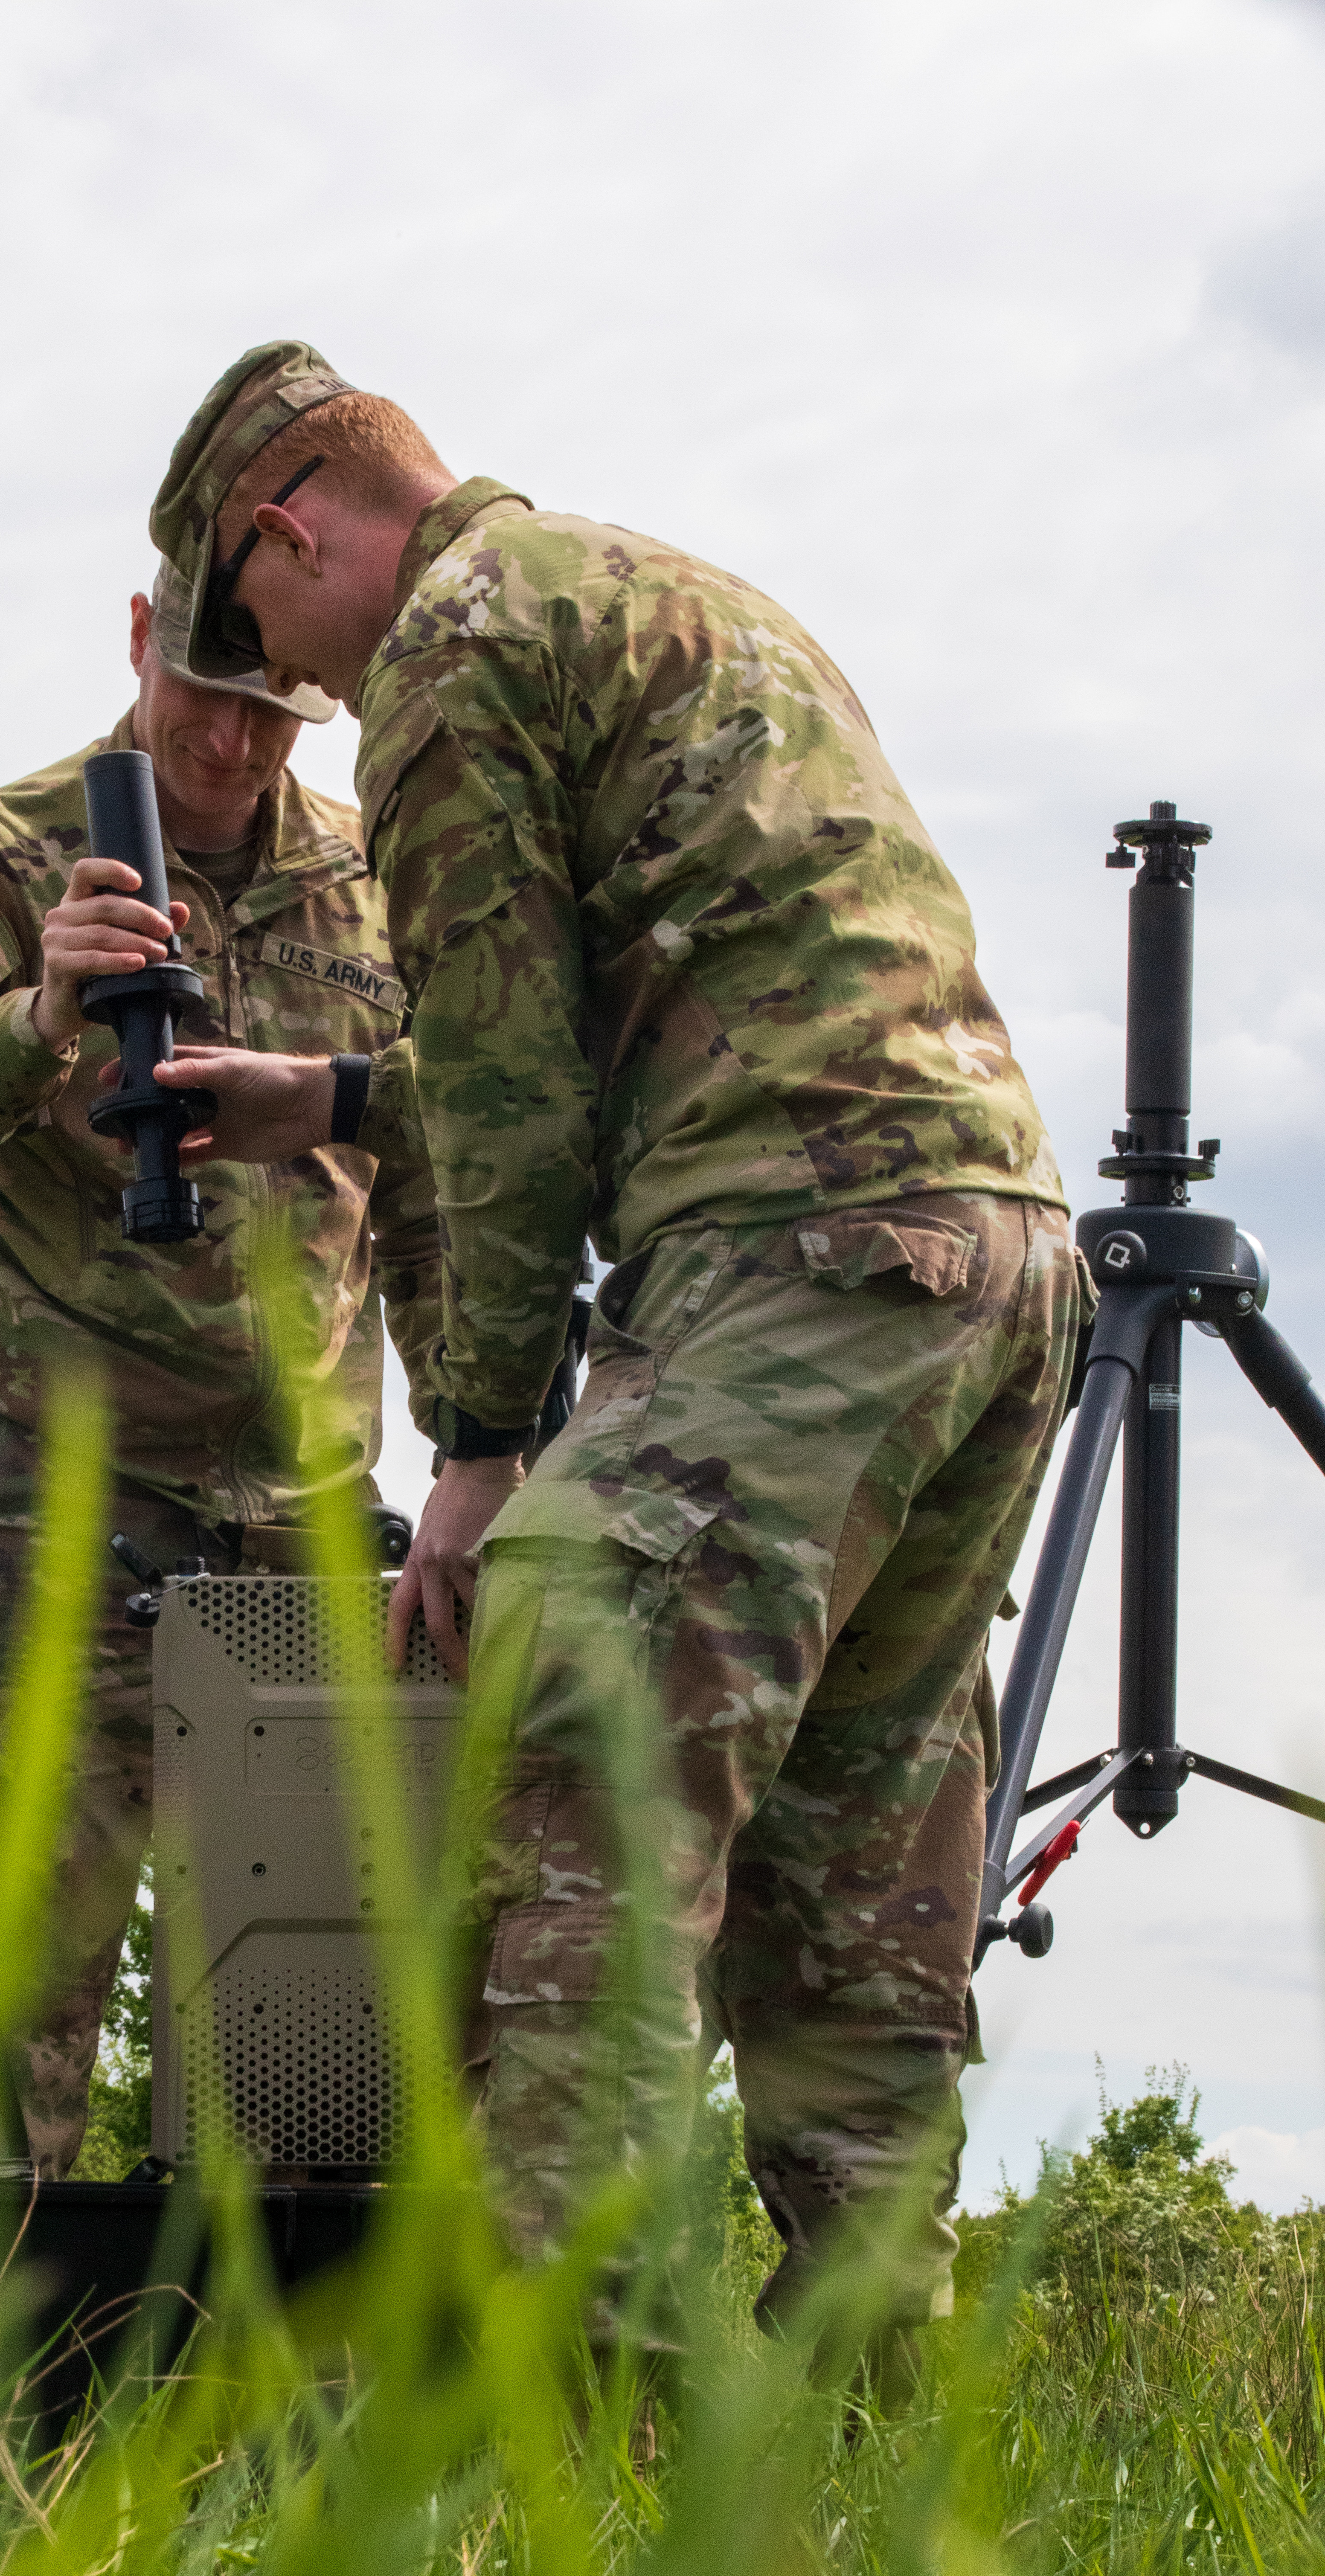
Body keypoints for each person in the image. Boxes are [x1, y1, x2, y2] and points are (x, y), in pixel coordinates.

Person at [140, 338, 1083, 2365]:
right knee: (854, 1887)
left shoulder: (450, 656)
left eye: (273, 637)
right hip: (986, 1269)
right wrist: (329, 1095)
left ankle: (593, 2449)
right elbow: (659, 1017)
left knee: (579, 1778)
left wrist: (482, 1448)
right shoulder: (664, 588)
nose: (293, 691)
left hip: (790, 1265)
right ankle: (864, 2424)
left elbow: (506, 1093)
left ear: (288, 530)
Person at [0, 546, 442, 2175]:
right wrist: (36, 1022)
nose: (232, 746)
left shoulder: (379, 882)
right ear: (144, 635)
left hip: (308, 1533)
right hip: (53, 1528)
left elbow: (432, 1185)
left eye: (272, 712)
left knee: (314, 2077)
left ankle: (267, 2427)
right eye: (204, 697)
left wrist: (480, 1452)